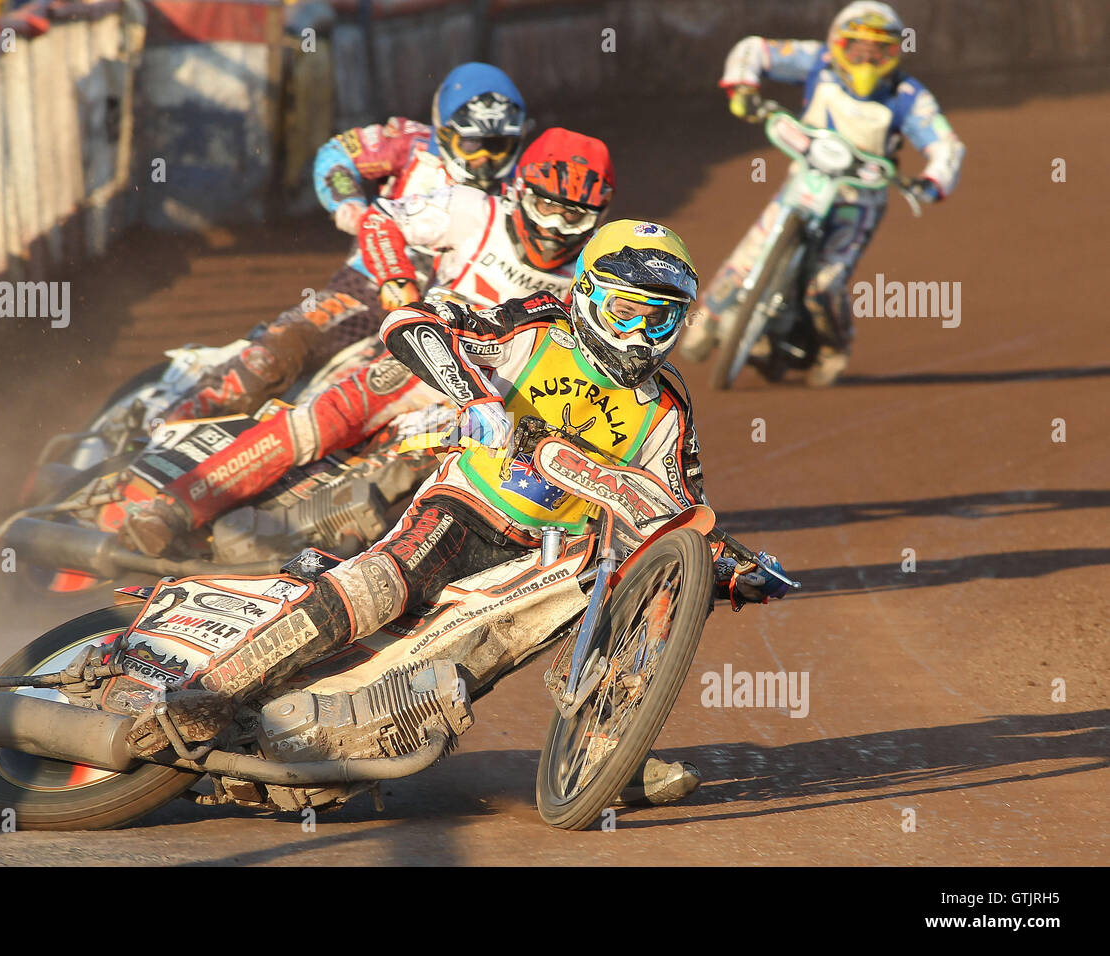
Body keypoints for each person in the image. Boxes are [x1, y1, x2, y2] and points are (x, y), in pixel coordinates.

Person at [184, 220, 793, 806]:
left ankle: (612, 751)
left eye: (656, 318)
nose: (637, 334)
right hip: (466, 505)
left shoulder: (668, 409)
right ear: (585, 295)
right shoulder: (539, 327)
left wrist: (731, 572)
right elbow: (415, 322)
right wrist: (474, 394)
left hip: (551, 555)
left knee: (495, 656)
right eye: (624, 311)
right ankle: (211, 690)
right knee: (385, 586)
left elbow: (679, 511)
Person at [119, 128, 616, 556]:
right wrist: (397, 282)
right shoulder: (471, 210)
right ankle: (175, 504)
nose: (553, 226)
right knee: (322, 413)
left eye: (572, 216)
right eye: (545, 205)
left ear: (597, 217)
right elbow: (381, 219)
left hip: (497, 399)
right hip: (421, 354)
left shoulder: (597, 269)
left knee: (431, 480)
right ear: (518, 192)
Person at [161, 62, 530, 424]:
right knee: (276, 351)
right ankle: (166, 425)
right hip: (366, 287)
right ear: (445, 131)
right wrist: (349, 206)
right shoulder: (410, 142)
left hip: (446, 313)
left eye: (497, 146)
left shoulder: (528, 188)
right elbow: (337, 155)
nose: (484, 158)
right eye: (472, 143)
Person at [679, 1, 965, 386]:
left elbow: (946, 144)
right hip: (806, 180)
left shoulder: (907, 94)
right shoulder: (817, 60)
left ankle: (834, 347)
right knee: (751, 252)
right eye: (858, 47)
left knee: (825, 284)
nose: (867, 57)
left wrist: (932, 181)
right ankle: (707, 320)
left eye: (880, 49)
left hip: (860, 199)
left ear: (895, 52)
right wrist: (743, 87)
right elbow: (755, 50)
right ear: (838, 44)